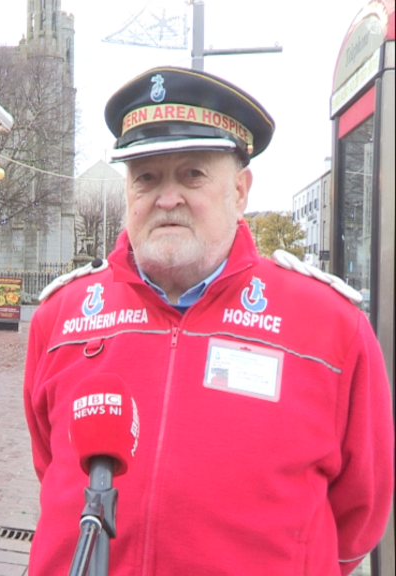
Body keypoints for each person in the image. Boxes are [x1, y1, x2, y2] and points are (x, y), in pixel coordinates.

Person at [23, 66, 394, 576]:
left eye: (192, 174)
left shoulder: (331, 327)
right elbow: (52, 469)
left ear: (240, 191)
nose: (167, 197)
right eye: (146, 177)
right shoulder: (61, 318)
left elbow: (359, 516)